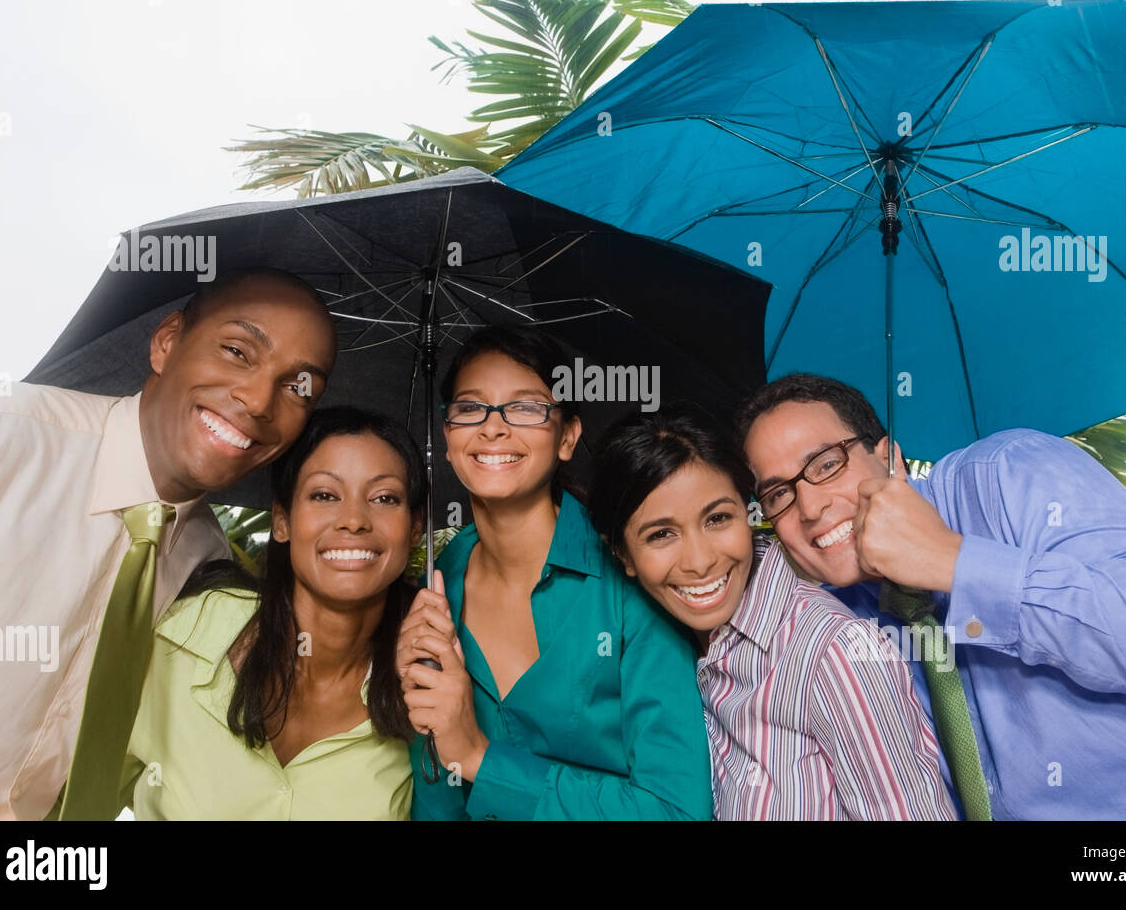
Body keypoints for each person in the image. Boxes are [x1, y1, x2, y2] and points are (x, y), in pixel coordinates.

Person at [737, 373, 1126, 820]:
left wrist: (952, 563)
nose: (808, 506)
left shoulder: (1006, 475)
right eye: (779, 493)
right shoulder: (835, 628)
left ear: (888, 457)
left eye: (826, 463)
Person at [0, 268, 337, 820]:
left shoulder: (208, 570)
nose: (258, 401)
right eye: (237, 351)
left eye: (299, 386)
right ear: (167, 342)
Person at [396, 325, 712, 820]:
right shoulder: (436, 588)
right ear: (448, 435)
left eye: (525, 407)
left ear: (567, 436)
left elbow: (675, 809)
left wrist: (481, 758)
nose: (493, 427)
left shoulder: (631, 577)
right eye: (470, 408)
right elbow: (435, 787)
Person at [589, 407, 957, 820]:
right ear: (623, 554)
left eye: (717, 518)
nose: (699, 561)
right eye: (661, 534)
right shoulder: (657, 649)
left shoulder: (833, 653)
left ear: (749, 515)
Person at [120, 407, 422, 819]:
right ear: (282, 520)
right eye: (324, 495)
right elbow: (67, 783)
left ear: (416, 529)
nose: (354, 520)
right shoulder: (184, 633)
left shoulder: (429, 684)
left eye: (385, 498)